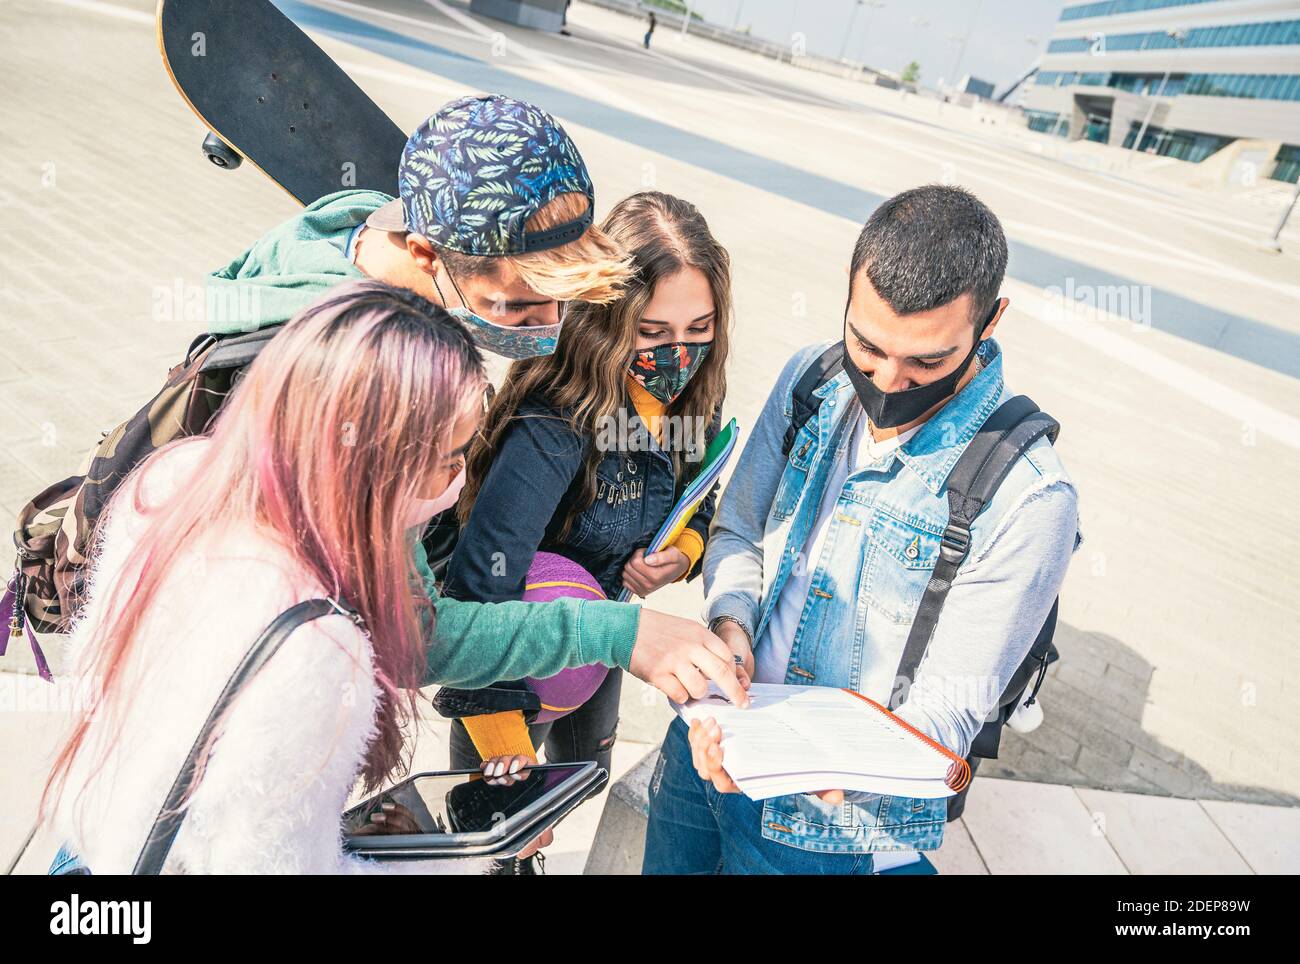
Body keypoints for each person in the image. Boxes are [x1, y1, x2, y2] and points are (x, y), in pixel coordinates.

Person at [8, 95, 746, 724]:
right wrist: (618, 633)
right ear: (429, 255)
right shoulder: (364, 387)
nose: (550, 324)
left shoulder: (355, 228)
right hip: (208, 696)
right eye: (518, 301)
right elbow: (417, 639)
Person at [642, 185, 1081, 875]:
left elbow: (949, 712)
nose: (887, 380)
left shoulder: (1030, 499)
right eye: (867, 345)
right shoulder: (812, 378)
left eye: (928, 362)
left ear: (990, 321)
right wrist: (730, 628)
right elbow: (740, 529)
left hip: (831, 826)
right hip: (708, 741)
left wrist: (824, 761)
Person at [440, 192, 737, 860]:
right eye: (653, 332)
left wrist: (683, 553)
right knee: (495, 838)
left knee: (582, 786)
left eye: (699, 329)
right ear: (605, 318)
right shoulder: (554, 425)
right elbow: (475, 594)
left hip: (601, 650)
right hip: (511, 672)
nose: (678, 354)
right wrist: (510, 767)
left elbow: (703, 499)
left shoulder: (695, 401)